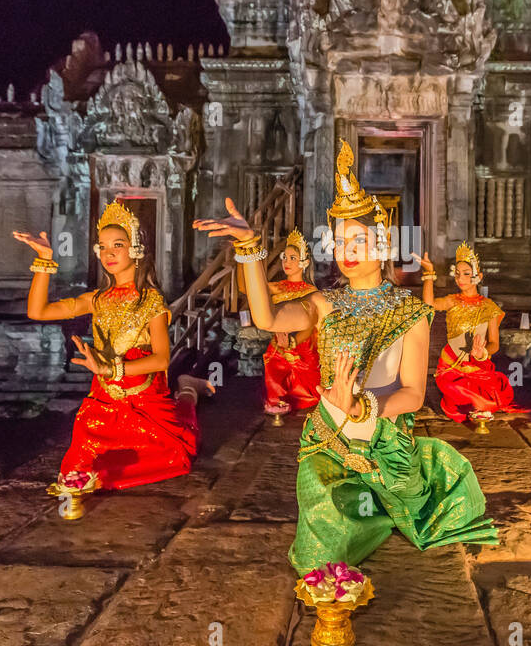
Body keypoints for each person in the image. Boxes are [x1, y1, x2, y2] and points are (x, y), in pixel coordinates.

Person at [194, 139, 499, 574]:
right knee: (322, 537)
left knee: (403, 502)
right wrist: (249, 248)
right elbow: (265, 318)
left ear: (384, 243)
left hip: (383, 437)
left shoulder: (411, 312)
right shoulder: (323, 303)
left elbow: (413, 394)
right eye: (339, 241)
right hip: (327, 436)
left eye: (358, 239)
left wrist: (363, 407)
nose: (347, 250)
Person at [13, 199, 212, 513]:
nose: (109, 253)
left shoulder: (151, 301)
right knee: (81, 456)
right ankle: (83, 483)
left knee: (179, 454)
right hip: (104, 401)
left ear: (134, 249)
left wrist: (110, 368)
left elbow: (161, 359)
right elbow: (37, 311)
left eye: (117, 245)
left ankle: (188, 389)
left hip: (146, 399)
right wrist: (45, 259)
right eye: (102, 247)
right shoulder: (97, 299)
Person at [415, 242, 523, 426]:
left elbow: (494, 343)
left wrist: (482, 354)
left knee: (494, 390)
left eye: (466, 273)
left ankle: (478, 407)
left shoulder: (489, 307)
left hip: (478, 365)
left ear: (478, 277)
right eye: (457, 274)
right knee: (458, 390)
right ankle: (473, 406)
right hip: (451, 365)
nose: (461, 278)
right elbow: (429, 305)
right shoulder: (452, 301)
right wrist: (428, 273)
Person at [245, 228, 321, 421]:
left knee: (303, 358)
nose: (286, 262)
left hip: (304, 341)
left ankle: (300, 395)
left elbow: (311, 323)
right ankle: (277, 398)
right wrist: (244, 255)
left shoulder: (312, 291)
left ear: (304, 262)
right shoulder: (279, 286)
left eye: (292, 258)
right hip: (279, 338)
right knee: (273, 355)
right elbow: (246, 288)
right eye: (284, 257)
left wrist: (294, 342)